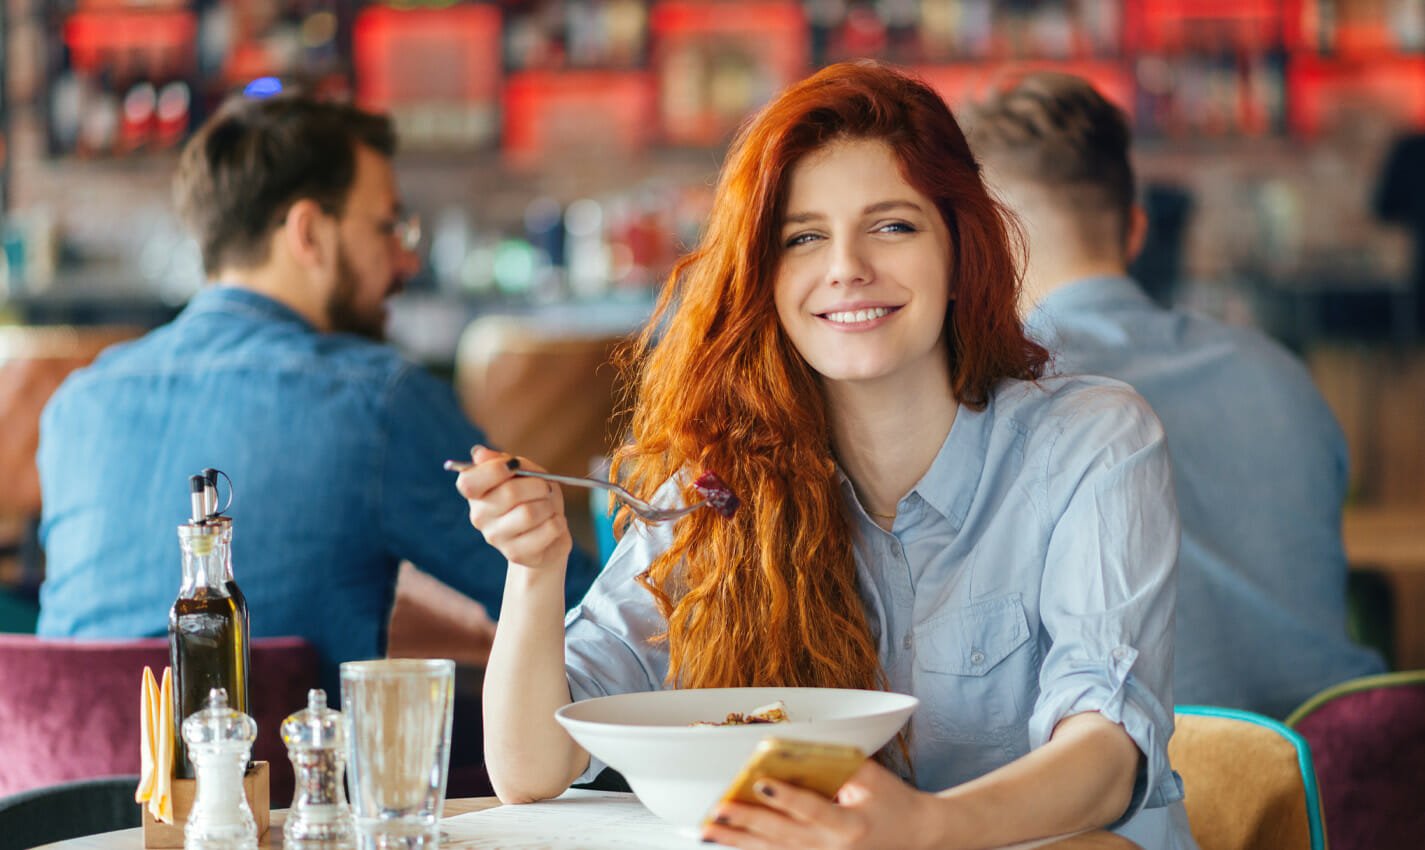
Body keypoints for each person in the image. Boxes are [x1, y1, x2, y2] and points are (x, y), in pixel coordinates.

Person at [455, 61, 1196, 849]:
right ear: (764, 280)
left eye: (892, 226)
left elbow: (1107, 753)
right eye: (803, 237)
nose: (846, 267)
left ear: (959, 253)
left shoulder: (1089, 441)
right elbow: (530, 768)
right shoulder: (723, 487)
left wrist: (923, 828)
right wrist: (533, 570)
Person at [36, 92, 595, 689]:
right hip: (281, 753)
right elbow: (591, 613)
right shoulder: (377, 400)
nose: (405, 261)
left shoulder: (76, 405)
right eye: (389, 227)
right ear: (308, 234)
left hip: (53, 750)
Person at [964, 71, 1385, 720]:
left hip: (1172, 769)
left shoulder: (998, 394)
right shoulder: (1276, 368)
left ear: (981, 244)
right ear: (1135, 231)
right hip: (1355, 755)